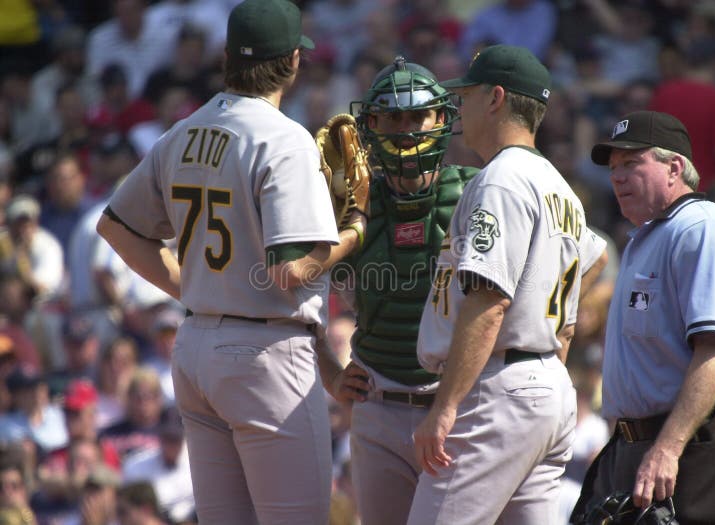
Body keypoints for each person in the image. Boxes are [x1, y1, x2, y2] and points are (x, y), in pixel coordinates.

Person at [96, 0, 365, 522]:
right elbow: (291, 272)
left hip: (196, 347)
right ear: (293, 60)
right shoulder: (283, 138)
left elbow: (115, 227)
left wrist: (198, 288)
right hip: (264, 358)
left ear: (226, 57)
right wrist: (355, 229)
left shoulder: (183, 130)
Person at [408, 44, 605, 524]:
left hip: (497, 387)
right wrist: (550, 356)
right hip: (546, 385)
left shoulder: (501, 180)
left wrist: (446, 406)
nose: (459, 107)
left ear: (495, 98)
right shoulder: (557, 185)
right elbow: (595, 260)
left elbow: (490, 301)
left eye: (466, 95)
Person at [570, 110, 715, 525]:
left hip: (690, 447)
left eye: (631, 163)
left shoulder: (702, 228)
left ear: (674, 167)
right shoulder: (648, 236)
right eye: (613, 168)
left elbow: (714, 353)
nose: (617, 177)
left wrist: (667, 447)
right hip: (638, 446)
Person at [328, 56, 478, 525]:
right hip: (378, 402)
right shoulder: (349, 204)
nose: (406, 130)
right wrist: (328, 371)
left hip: (458, 407)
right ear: (370, 125)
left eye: (418, 117)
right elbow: (289, 287)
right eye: (392, 118)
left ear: (441, 119)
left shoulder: (478, 190)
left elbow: (587, 256)